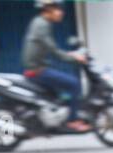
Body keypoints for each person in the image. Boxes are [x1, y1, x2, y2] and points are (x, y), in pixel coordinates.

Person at [22, 1, 89, 133]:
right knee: (74, 84)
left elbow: (50, 49)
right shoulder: (42, 25)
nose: (61, 12)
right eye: (57, 9)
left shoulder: (39, 22)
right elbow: (53, 50)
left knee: (59, 94)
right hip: (38, 70)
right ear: (47, 10)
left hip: (38, 68)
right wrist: (73, 58)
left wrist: (70, 54)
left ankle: (57, 117)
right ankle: (73, 120)